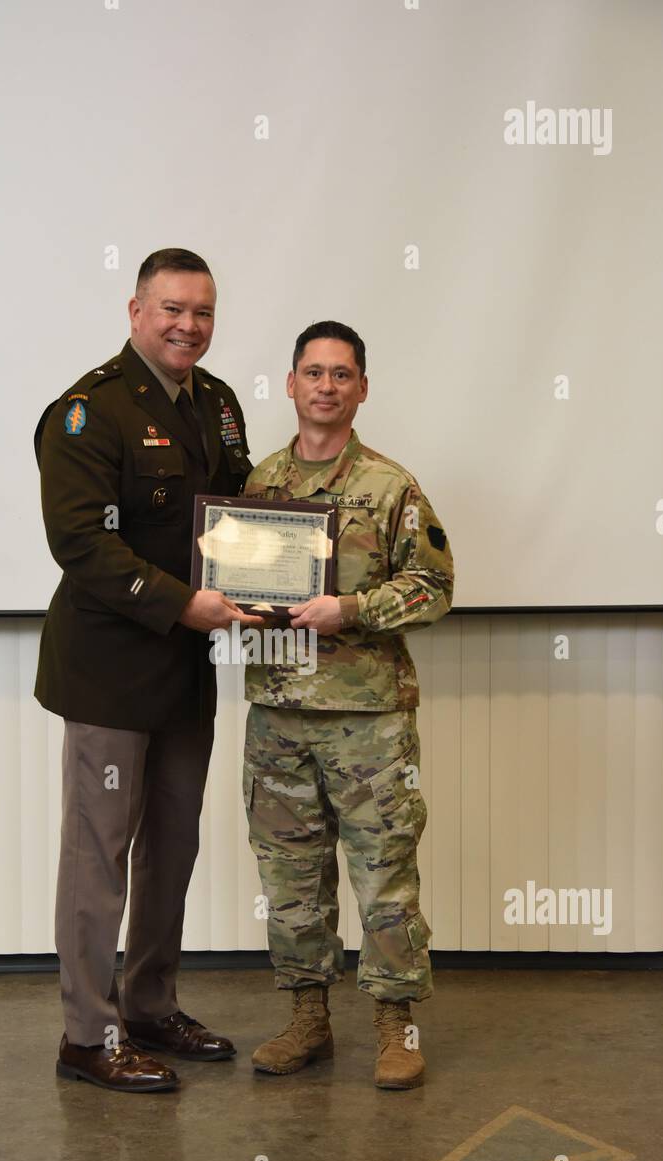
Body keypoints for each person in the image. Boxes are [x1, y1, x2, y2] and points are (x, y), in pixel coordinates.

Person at [34, 248, 260, 1093]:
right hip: (109, 667)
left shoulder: (218, 403)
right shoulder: (88, 414)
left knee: (173, 844)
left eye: (202, 312)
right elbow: (84, 544)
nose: (187, 326)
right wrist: (183, 603)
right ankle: (86, 1035)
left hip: (184, 666)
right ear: (135, 312)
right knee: (99, 851)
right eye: (172, 309)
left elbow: (240, 514)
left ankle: (149, 1005)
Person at [242, 321, 454, 1089]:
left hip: (368, 721)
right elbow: (235, 588)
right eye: (312, 372)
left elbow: (435, 587)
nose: (325, 386)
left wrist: (354, 609)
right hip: (277, 714)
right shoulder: (258, 487)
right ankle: (307, 1019)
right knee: (289, 878)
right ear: (289, 384)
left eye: (341, 374)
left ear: (360, 388)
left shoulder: (390, 487)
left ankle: (397, 1026)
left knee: (383, 876)